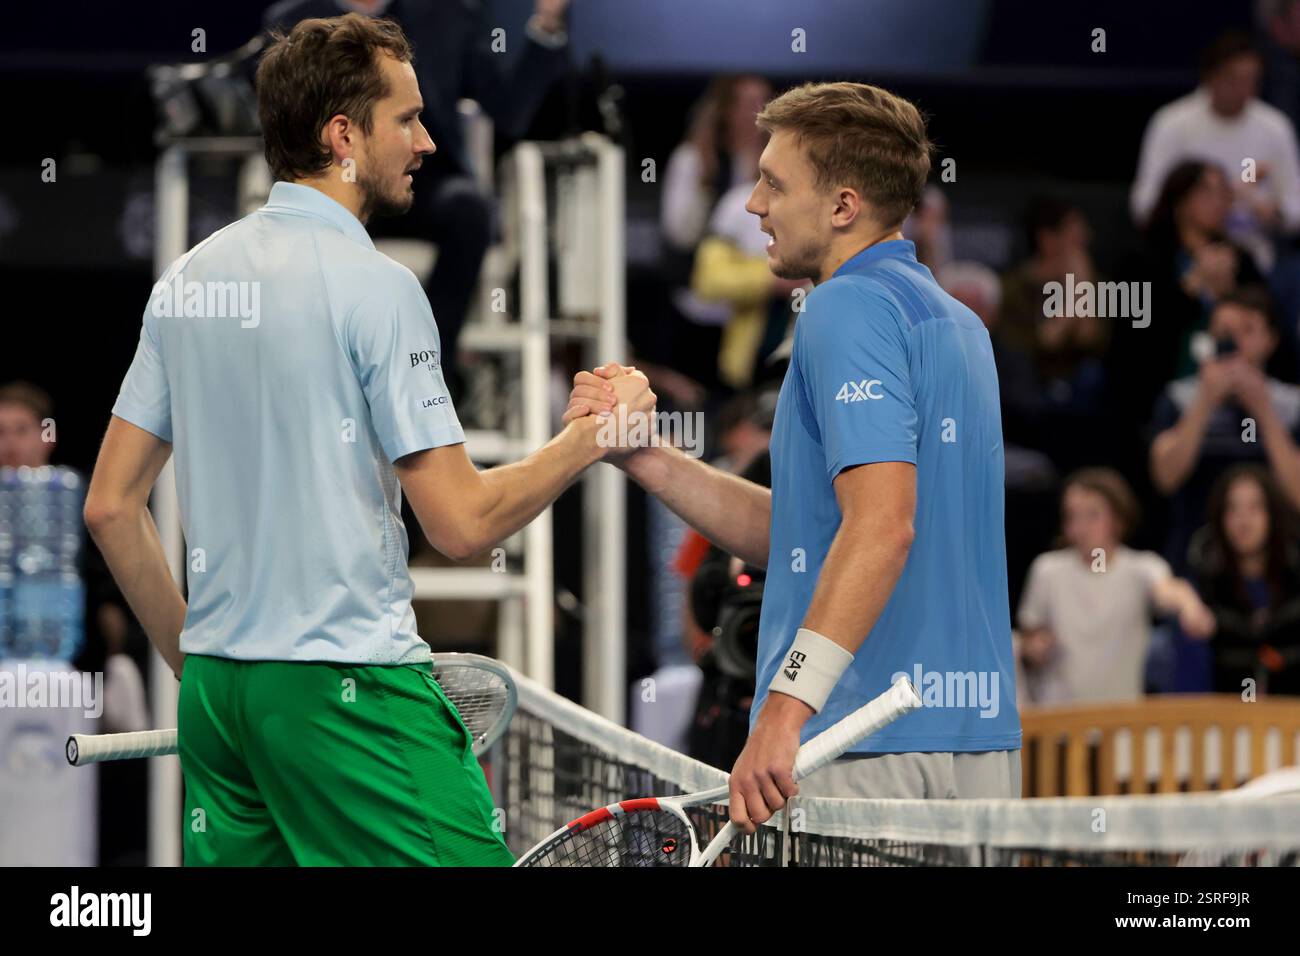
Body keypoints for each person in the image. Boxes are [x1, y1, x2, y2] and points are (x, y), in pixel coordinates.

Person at [83, 14, 652, 867]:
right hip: (347, 693)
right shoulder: (379, 289)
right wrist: (589, 438)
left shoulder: (187, 282)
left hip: (220, 703)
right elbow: (461, 523)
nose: (428, 142)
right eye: (408, 119)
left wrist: (199, 664)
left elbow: (110, 507)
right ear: (343, 136)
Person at [568, 81, 1022, 825]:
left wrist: (784, 710)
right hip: (974, 742)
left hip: (860, 739)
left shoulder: (844, 306)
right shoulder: (956, 321)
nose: (755, 205)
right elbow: (813, 535)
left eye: (775, 184)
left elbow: (881, 528)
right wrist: (645, 454)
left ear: (843, 207)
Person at [263, 0, 572, 402]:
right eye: (408, 120)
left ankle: (427, 373)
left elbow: (510, 110)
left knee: (470, 211)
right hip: (331, 184)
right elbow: (265, 117)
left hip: (424, 190)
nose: (422, 139)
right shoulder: (293, 21)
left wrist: (547, 21)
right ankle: (319, 372)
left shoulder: (450, 15)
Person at [1016, 469, 1215, 704]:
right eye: (1072, 516)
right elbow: (1029, 635)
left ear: (1117, 519)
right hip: (1059, 715)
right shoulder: (1047, 570)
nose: (1080, 528)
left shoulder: (1141, 567)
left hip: (1119, 716)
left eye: (1092, 515)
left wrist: (1190, 606)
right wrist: (1034, 647)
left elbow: (1168, 590)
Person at [1149, 287, 1300, 574]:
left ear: (1271, 339)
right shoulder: (1179, 399)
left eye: (1247, 331)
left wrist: (1265, 413)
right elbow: (1165, 478)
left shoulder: (1293, 406)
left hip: (1280, 564)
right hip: (1196, 558)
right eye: (1224, 332)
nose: (1234, 343)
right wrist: (1204, 403)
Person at [1130, 31, 1300, 274]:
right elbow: (1144, 204)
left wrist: (1272, 211)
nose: (1244, 90)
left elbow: (1295, 207)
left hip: (1257, 255)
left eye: (1252, 80)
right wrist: (1195, 214)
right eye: (1234, 79)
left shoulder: (1275, 127)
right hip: (1181, 253)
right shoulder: (1171, 123)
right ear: (1211, 76)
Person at [1193, 464, 1300, 696]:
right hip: (1227, 704)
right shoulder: (1207, 579)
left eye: (1254, 507)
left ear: (1272, 514)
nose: (1243, 519)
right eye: (1233, 509)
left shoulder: (1295, 570)